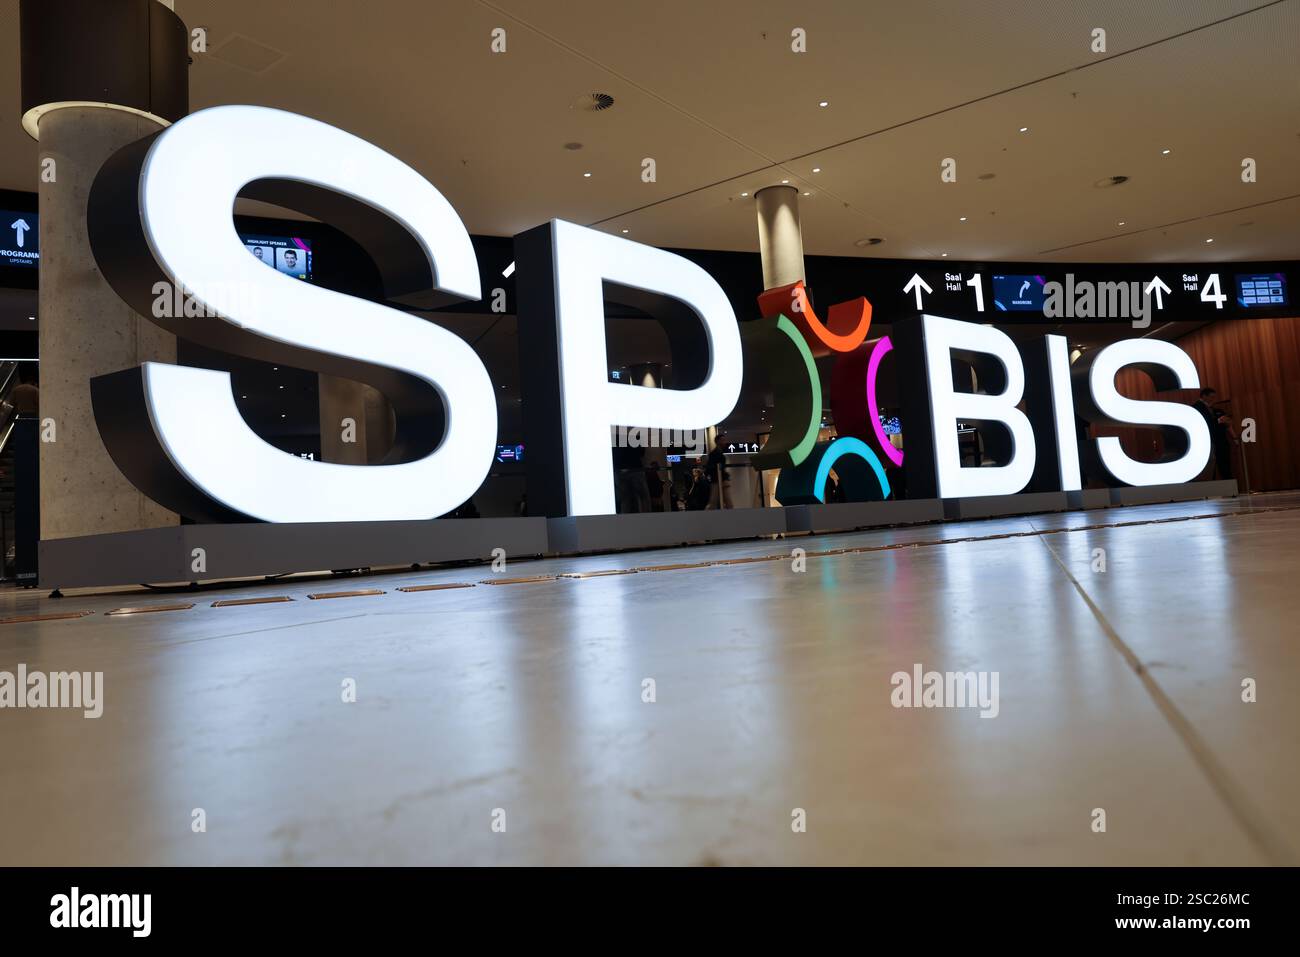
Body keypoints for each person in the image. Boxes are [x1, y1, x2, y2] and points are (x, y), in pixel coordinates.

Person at [705, 435, 732, 509]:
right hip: (716, 480)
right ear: (717, 442)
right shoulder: (714, 454)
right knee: (714, 501)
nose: (724, 442)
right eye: (722, 440)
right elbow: (711, 467)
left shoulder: (719, 454)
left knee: (727, 501)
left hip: (720, 479)